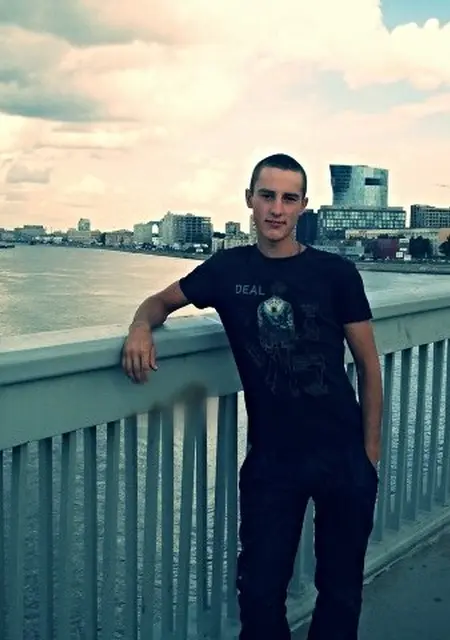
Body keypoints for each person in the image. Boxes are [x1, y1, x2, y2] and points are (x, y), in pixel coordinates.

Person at [122, 153, 383, 639]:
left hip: (342, 456)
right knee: (260, 593)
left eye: (288, 198)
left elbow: (368, 366)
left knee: (341, 591)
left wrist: (368, 457)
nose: (276, 209)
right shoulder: (227, 269)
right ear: (249, 199)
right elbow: (160, 301)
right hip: (273, 462)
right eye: (267, 196)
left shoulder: (336, 273)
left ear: (303, 205)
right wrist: (140, 326)